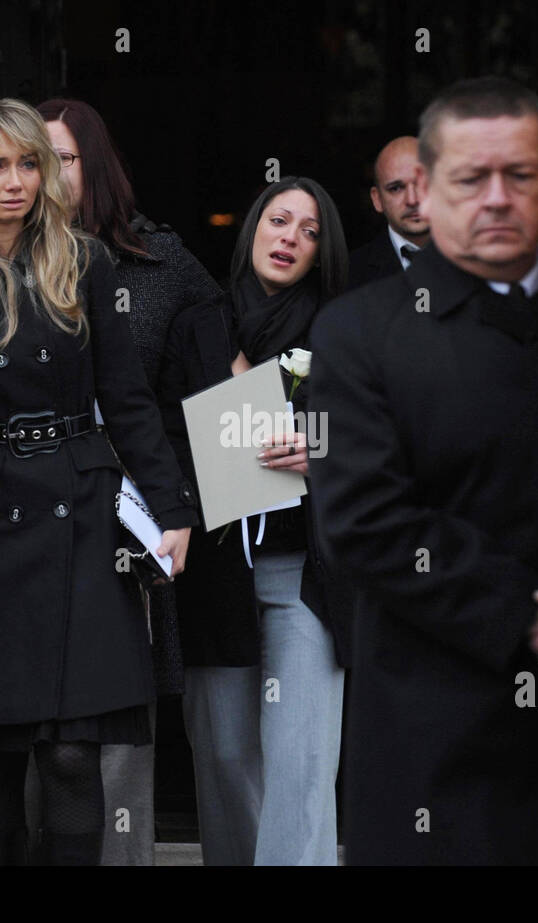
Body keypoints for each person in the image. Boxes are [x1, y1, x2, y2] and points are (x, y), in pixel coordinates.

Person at [309, 76, 538, 865]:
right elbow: (363, 521)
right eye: (473, 179)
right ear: (426, 193)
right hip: (438, 738)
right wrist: (535, 616)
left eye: (521, 176)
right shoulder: (360, 334)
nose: (498, 199)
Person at [0, 97, 197, 866]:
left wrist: (172, 508)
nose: (16, 181)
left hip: (80, 512)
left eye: (29, 163)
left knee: (73, 754)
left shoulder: (85, 262)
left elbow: (129, 399)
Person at [36, 95, 220, 866]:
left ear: (97, 165)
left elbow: (219, 383)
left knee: (113, 736)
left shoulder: (161, 260)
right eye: (32, 158)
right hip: (16, 524)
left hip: (127, 522)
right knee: (17, 734)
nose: (47, 175)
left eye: (65, 159)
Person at [158, 176, 351, 866]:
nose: (290, 238)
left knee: (300, 758)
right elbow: (162, 434)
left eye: (309, 230)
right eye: (278, 220)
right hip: (216, 567)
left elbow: (390, 436)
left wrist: (323, 447)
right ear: (252, 231)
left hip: (306, 575)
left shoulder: (345, 327)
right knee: (226, 756)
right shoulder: (198, 321)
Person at [346, 136, 429, 290]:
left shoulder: (480, 262)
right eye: (396, 188)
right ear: (377, 199)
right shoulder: (349, 275)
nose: (412, 200)